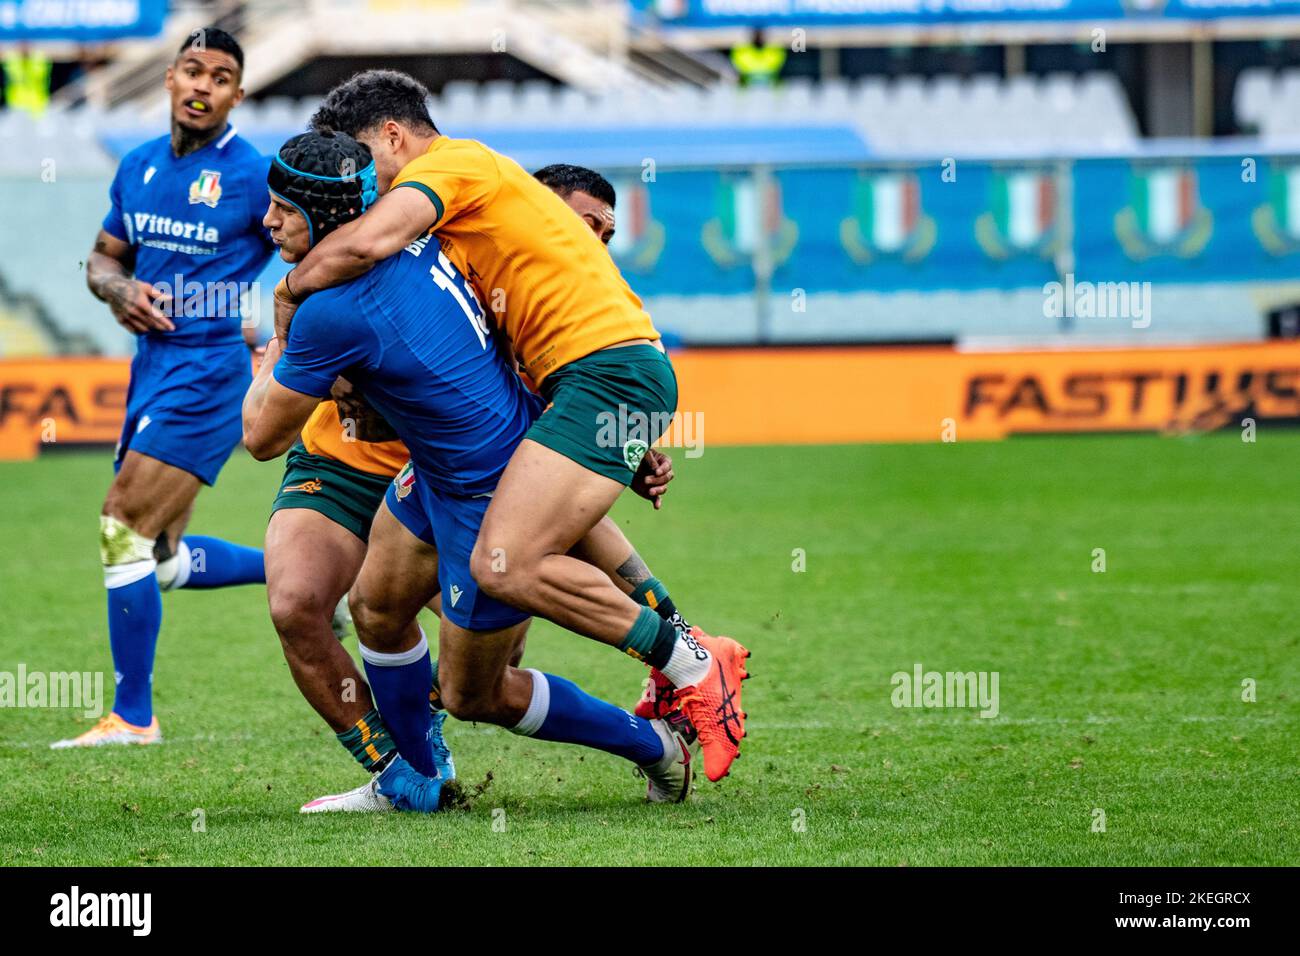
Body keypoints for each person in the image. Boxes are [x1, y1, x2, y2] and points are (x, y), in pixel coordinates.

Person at [273, 70, 750, 781]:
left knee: (510, 564)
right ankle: (422, 778)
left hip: (605, 377)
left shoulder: (454, 164)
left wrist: (287, 292)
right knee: (403, 631)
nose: (359, 186)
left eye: (364, 163)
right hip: (555, 402)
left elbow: (366, 244)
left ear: (394, 137)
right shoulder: (457, 237)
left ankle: (692, 660)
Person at [53, 29, 273, 749]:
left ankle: (134, 716)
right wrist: (116, 290)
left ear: (238, 95)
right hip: (149, 366)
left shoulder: (253, 175)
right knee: (159, 557)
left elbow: (320, 246)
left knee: (121, 527)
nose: (203, 86)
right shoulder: (139, 166)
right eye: (192, 71)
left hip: (210, 370)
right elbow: (102, 257)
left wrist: (293, 332)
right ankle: (309, 575)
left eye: (221, 76)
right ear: (171, 80)